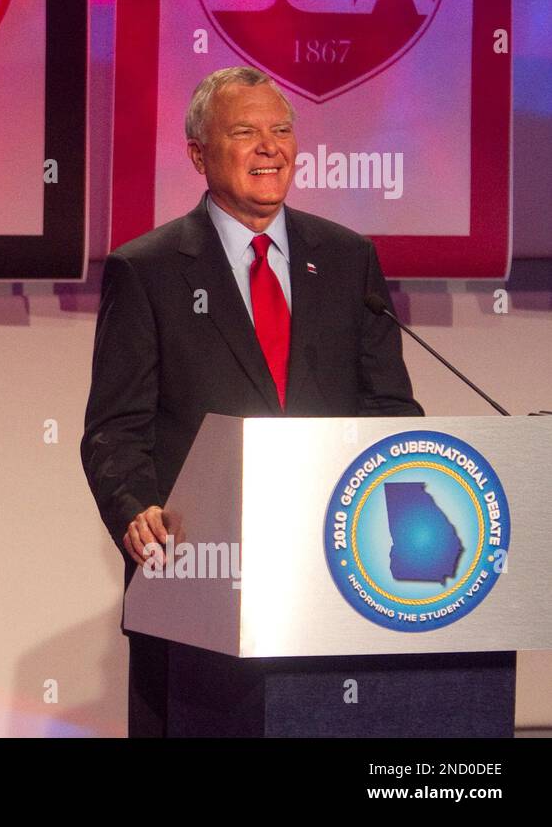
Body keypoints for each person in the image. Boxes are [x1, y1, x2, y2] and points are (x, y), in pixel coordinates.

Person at [80, 66, 423, 737]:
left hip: (335, 578)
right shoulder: (145, 270)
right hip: (198, 589)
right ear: (198, 153)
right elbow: (114, 431)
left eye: (281, 130)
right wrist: (136, 512)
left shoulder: (349, 259)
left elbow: (390, 410)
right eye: (245, 132)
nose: (270, 147)